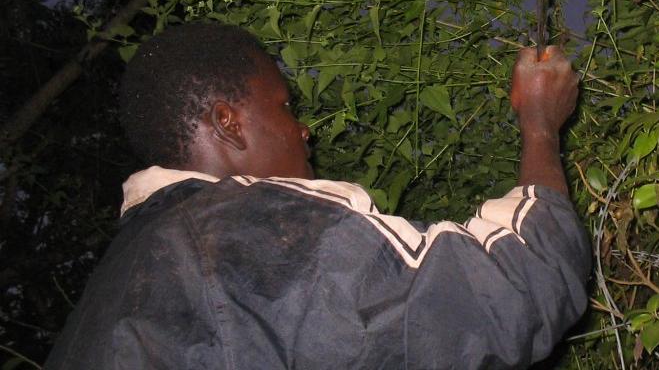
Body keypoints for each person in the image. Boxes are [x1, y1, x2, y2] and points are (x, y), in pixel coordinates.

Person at [45, 23, 590, 369]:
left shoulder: (105, 299)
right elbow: (510, 293)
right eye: (284, 108)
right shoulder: (247, 231)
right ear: (228, 124)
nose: (305, 130)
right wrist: (539, 125)